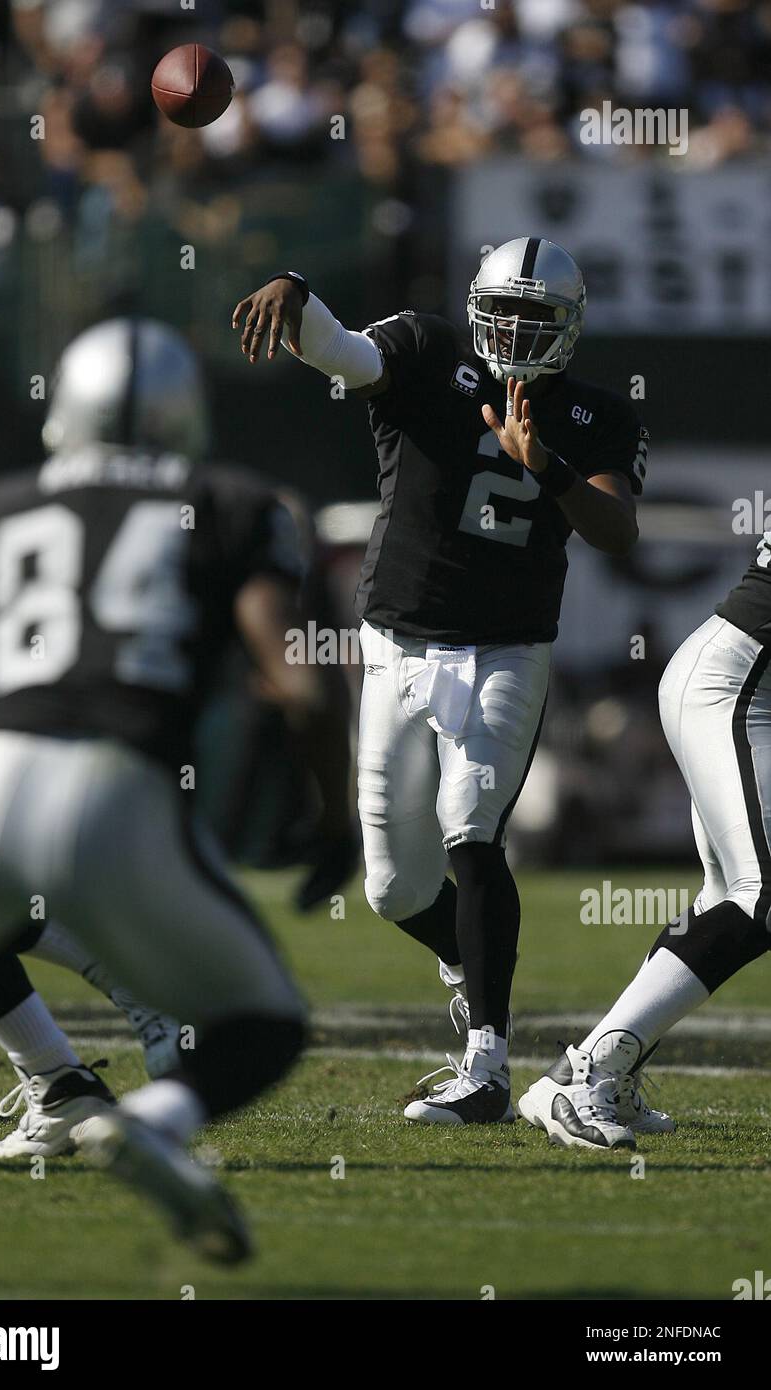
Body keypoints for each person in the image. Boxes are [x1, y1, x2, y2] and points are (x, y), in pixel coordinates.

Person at [0, 317, 353, 1260]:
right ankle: (154, 1118)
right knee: (263, 1024)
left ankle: (71, 1087)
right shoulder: (233, 505)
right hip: (124, 792)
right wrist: (334, 817)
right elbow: (302, 688)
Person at [232, 238, 658, 1129]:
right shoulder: (427, 353)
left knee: (472, 830)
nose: (513, 331)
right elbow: (344, 351)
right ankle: (468, 967)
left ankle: (488, 1066)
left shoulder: (596, 419)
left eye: (535, 318)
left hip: (506, 647)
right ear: (472, 307)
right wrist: (298, 287)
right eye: (502, 311)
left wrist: (548, 469)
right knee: (391, 888)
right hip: (395, 642)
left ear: (569, 329)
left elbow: (616, 530)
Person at [519, 532, 771, 1148]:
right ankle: (582, 1076)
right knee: (762, 895)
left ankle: (607, 1070)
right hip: (733, 689)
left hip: (738, 686)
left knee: (725, 898)